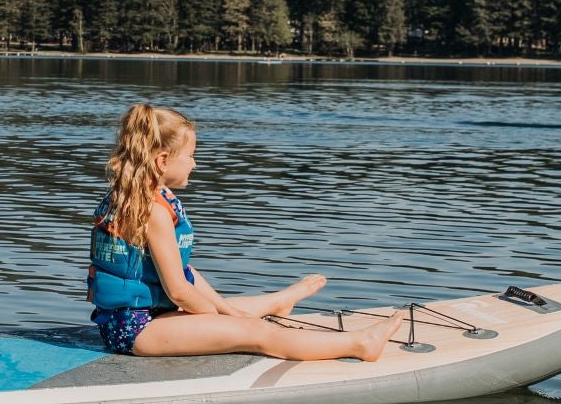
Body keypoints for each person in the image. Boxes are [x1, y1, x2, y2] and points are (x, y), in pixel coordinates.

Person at [88, 103, 395, 362]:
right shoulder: (153, 211)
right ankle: (360, 344)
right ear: (163, 161)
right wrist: (213, 316)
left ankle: (279, 301)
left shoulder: (134, 197)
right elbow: (179, 292)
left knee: (233, 310)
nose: (194, 163)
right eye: (190, 156)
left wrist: (224, 310)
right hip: (135, 331)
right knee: (258, 333)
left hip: (144, 318)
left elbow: (185, 272)